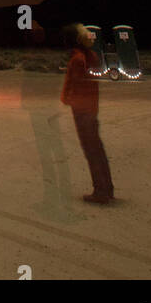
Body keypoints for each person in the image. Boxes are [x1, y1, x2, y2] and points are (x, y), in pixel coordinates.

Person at [61, 23, 115, 204]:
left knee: (91, 150)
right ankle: (107, 188)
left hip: (83, 110)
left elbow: (76, 83)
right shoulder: (91, 56)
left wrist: (67, 98)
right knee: (97, 149)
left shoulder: (78, 59)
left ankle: (100, 191)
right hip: (91, 108)